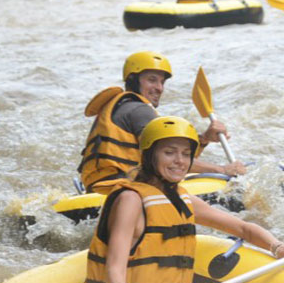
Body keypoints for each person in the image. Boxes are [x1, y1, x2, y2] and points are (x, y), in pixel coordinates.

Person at [85, 116, 284, 283]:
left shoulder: (180, 198)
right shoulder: (130, 200)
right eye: (169, 153)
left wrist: (280, 248)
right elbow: (114, 269)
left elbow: (243, 228)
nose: (180, 161)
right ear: (149, 155)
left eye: (186, 154)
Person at [78, 51, 247, 194]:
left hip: (100, 186)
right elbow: (171, 160)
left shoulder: (120, 105)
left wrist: (204, 139)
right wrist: (223, 170)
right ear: (133, 80)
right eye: (152, 80)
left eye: (162, 82)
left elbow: (170, 155)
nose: (159, 88)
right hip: (120, 188)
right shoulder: (139, 110)